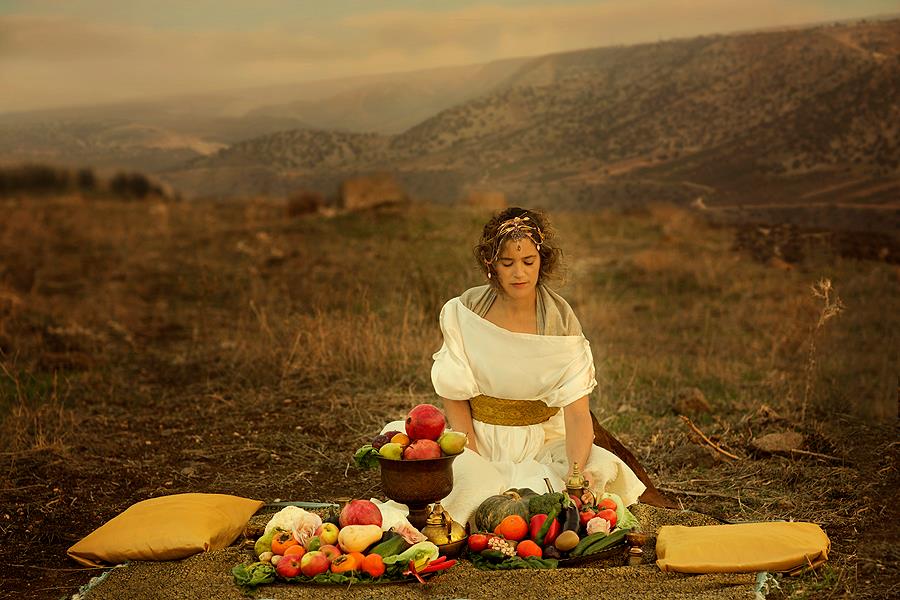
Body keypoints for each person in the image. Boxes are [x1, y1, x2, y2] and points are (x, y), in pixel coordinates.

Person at [401, 207, 649, 525]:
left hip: (541, 444)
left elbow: (576, 413)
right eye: (508, 263)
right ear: (491, 265)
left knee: (576, 487)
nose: (519, 273)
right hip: (475, 438)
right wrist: (474, 464)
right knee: (462, 493)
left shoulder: (560, 320)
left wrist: (575, 478)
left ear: (542, 260)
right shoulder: (465, 312)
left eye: (528, 261)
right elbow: (455, 396)